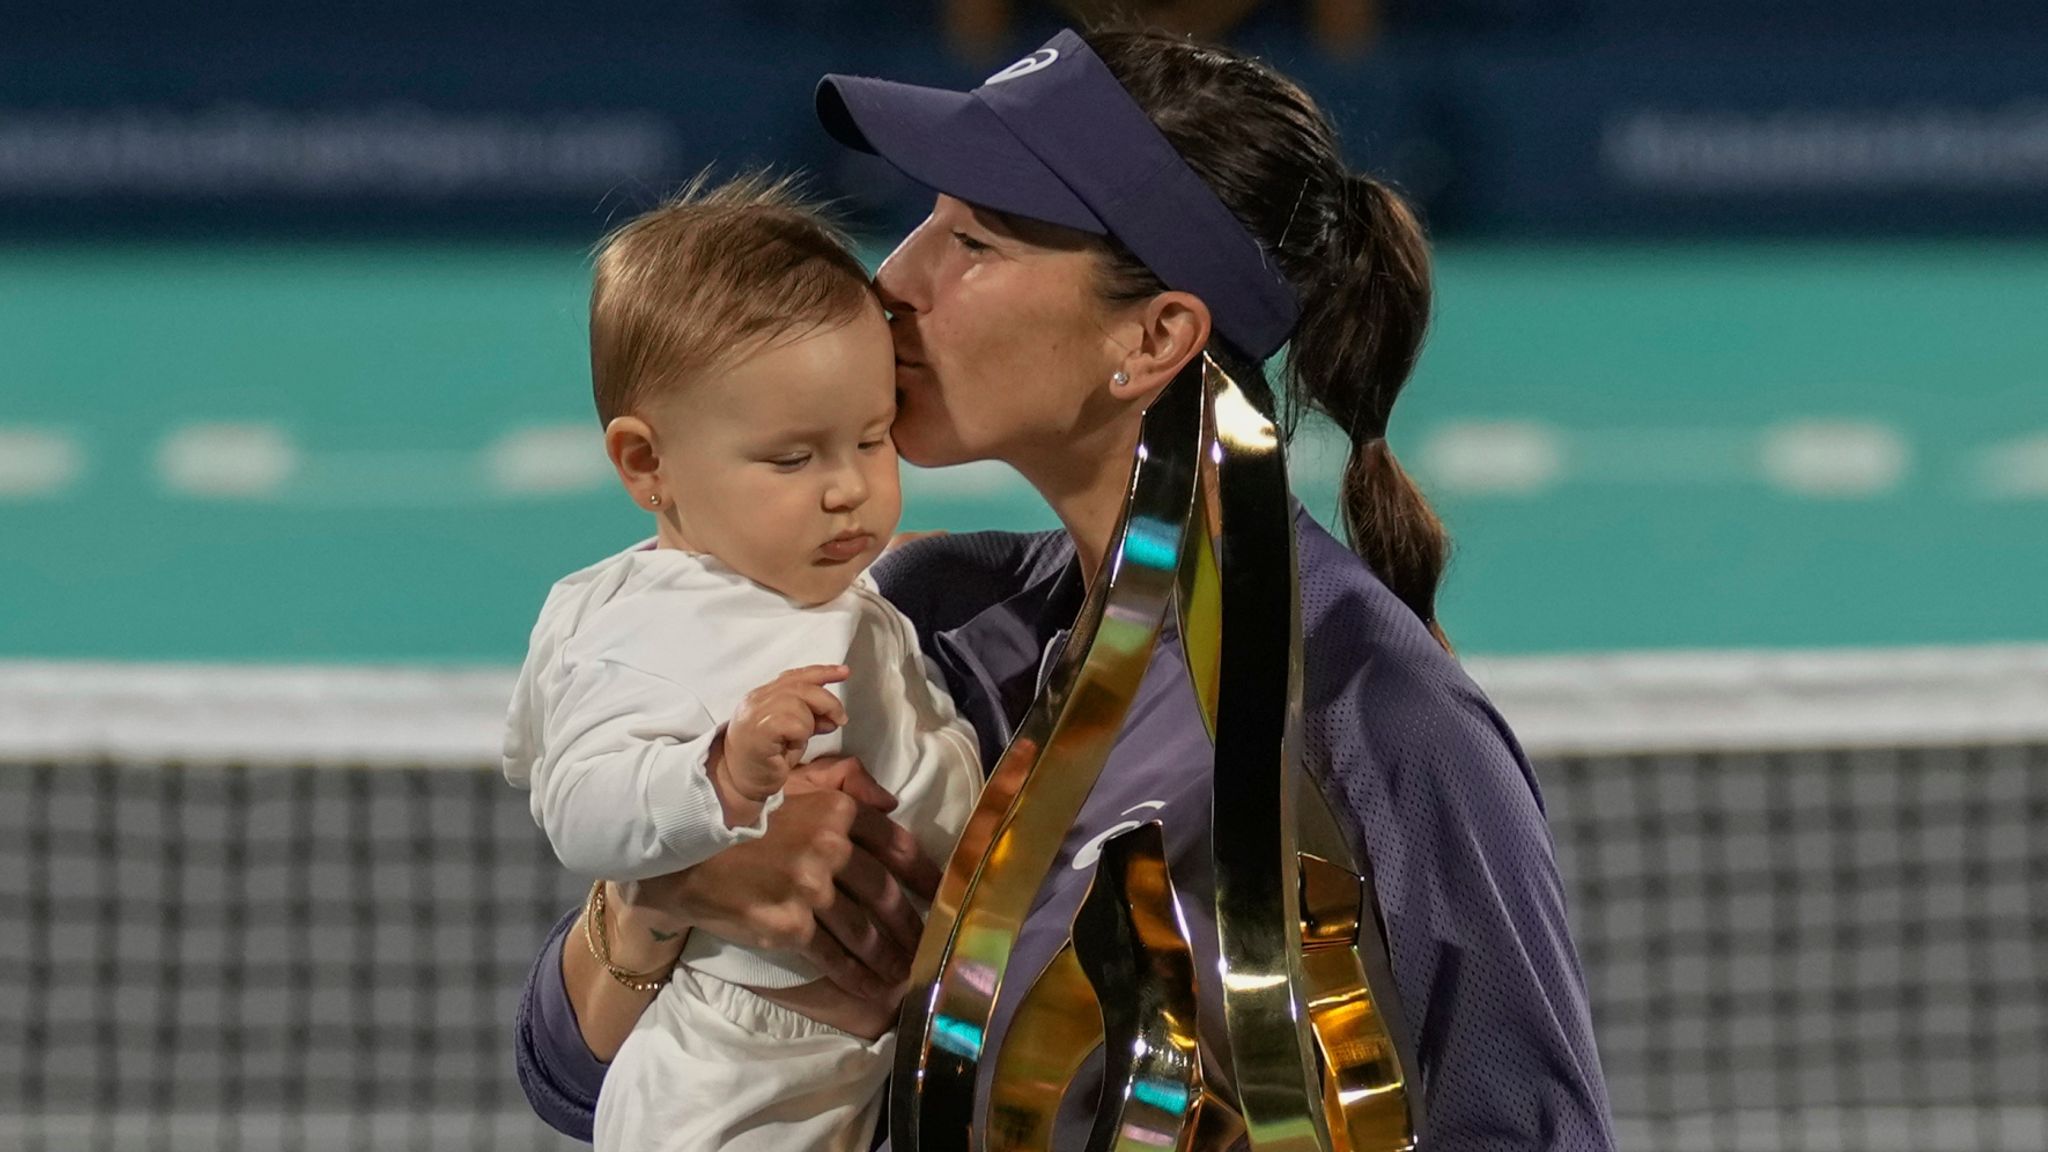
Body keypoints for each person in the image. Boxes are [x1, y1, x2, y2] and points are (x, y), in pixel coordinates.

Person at [515, 27, 1616, 1151]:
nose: (891, 281)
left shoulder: (1370, 709)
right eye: (923, 220)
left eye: (972, 242)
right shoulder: (932, 617)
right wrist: (664, 903)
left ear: (1151, 338)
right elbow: (568, 1075)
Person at [501, 175, 981, 1152]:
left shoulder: (832, 588)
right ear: (645, 466)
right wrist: (713, 782)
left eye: (871, 437)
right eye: (792, 459)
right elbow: (576, 802)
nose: (849, 488)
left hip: (876, 1042)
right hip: (740, 1053)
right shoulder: (646, 628)